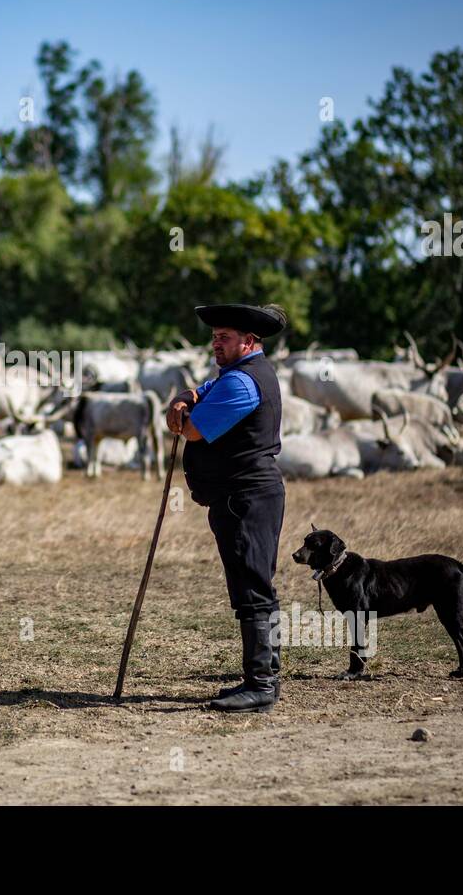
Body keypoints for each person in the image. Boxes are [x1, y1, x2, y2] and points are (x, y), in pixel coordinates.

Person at [166, 303, 287, 712]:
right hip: (243, 495)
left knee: (252, 587)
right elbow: (201, 391)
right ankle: (264, 676)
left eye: (225, 337)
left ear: (248, 341)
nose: (215, 343)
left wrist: (183, 413)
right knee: (252, 583)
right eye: (215, 336)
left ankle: (261, 685)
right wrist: (187, 396)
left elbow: (194, 431)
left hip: (245, 497)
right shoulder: (235, 375)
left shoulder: (242, 383)